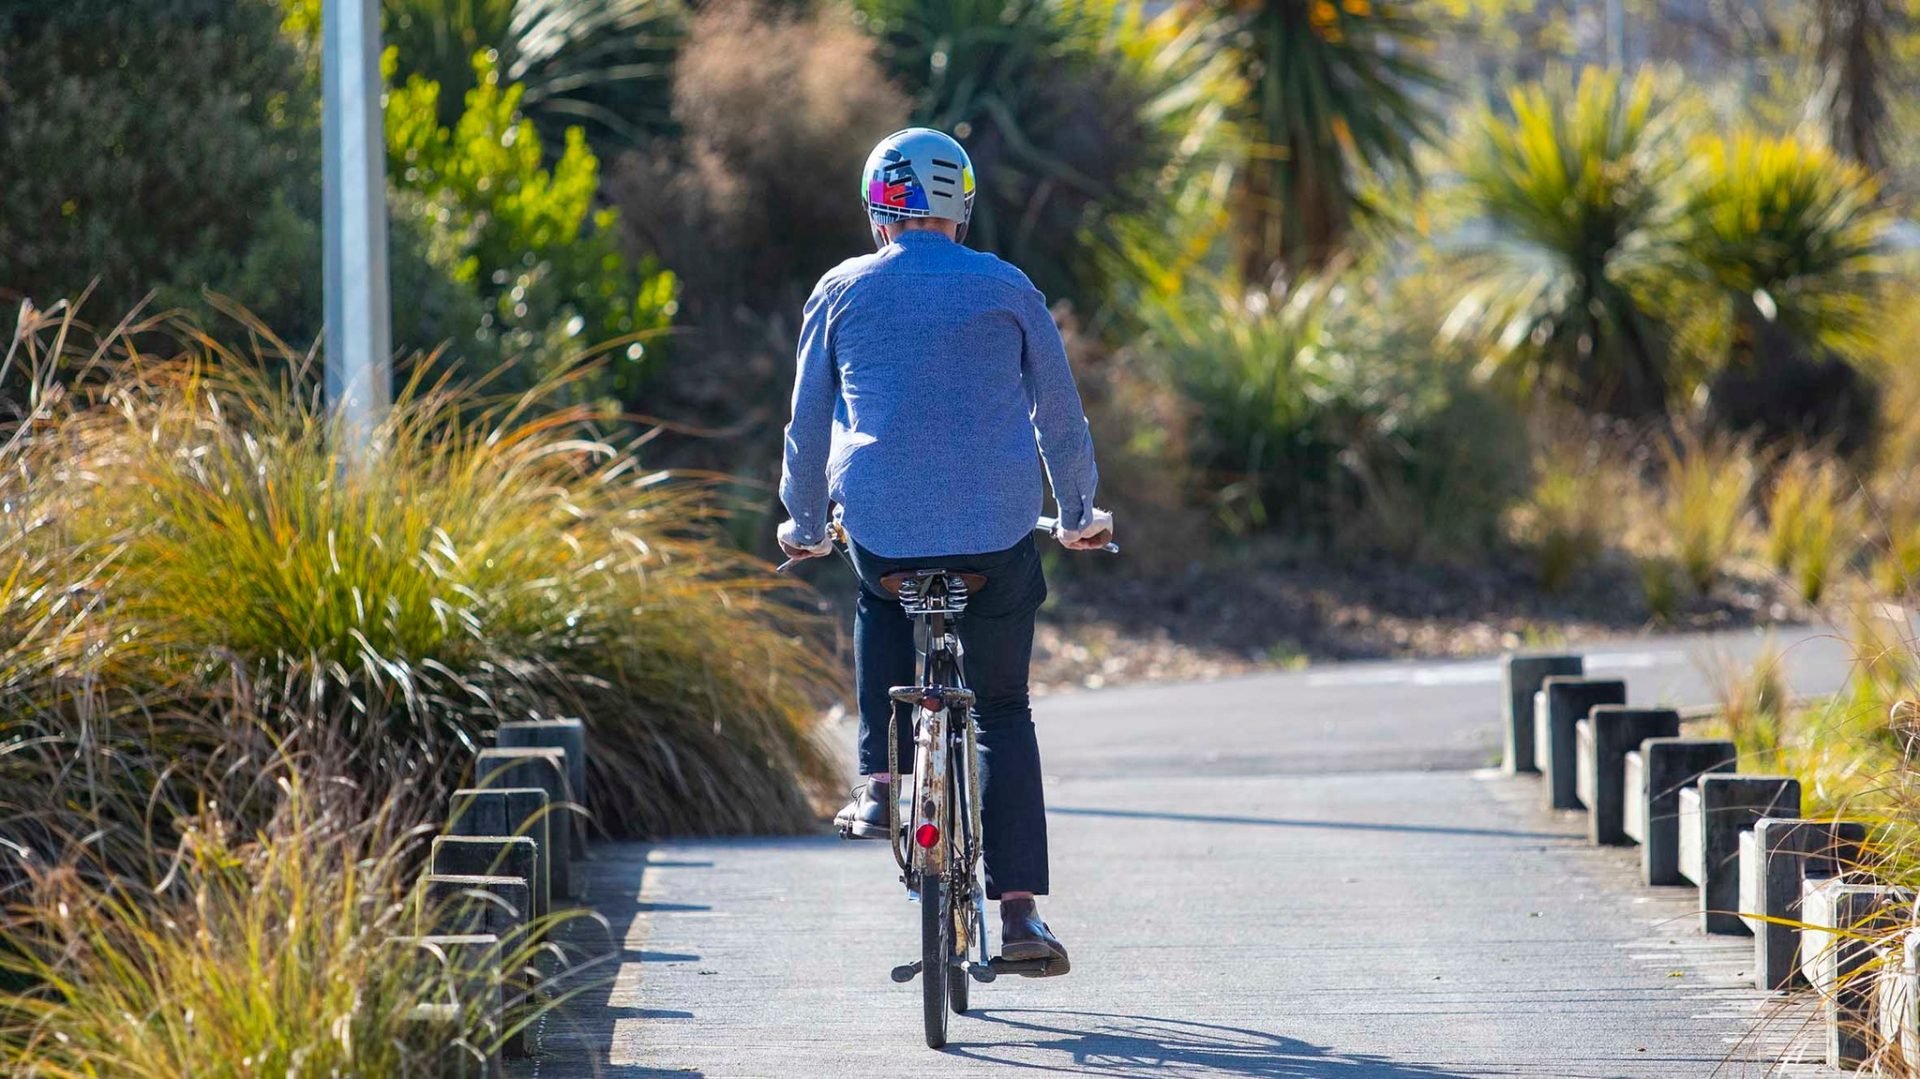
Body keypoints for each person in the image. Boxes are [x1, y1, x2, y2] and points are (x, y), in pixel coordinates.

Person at [776, 127, 1111, 975]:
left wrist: (805, 522)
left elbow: (807, 423)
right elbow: (1059, 416)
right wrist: (1077, 511)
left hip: (883, 525)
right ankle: (1023, 914)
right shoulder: (1008, 286)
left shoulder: (842, 289)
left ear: (875, 209)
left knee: (878, 592)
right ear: (962, 206)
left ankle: (879, 784)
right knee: (1002, 709)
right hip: (998, 532)